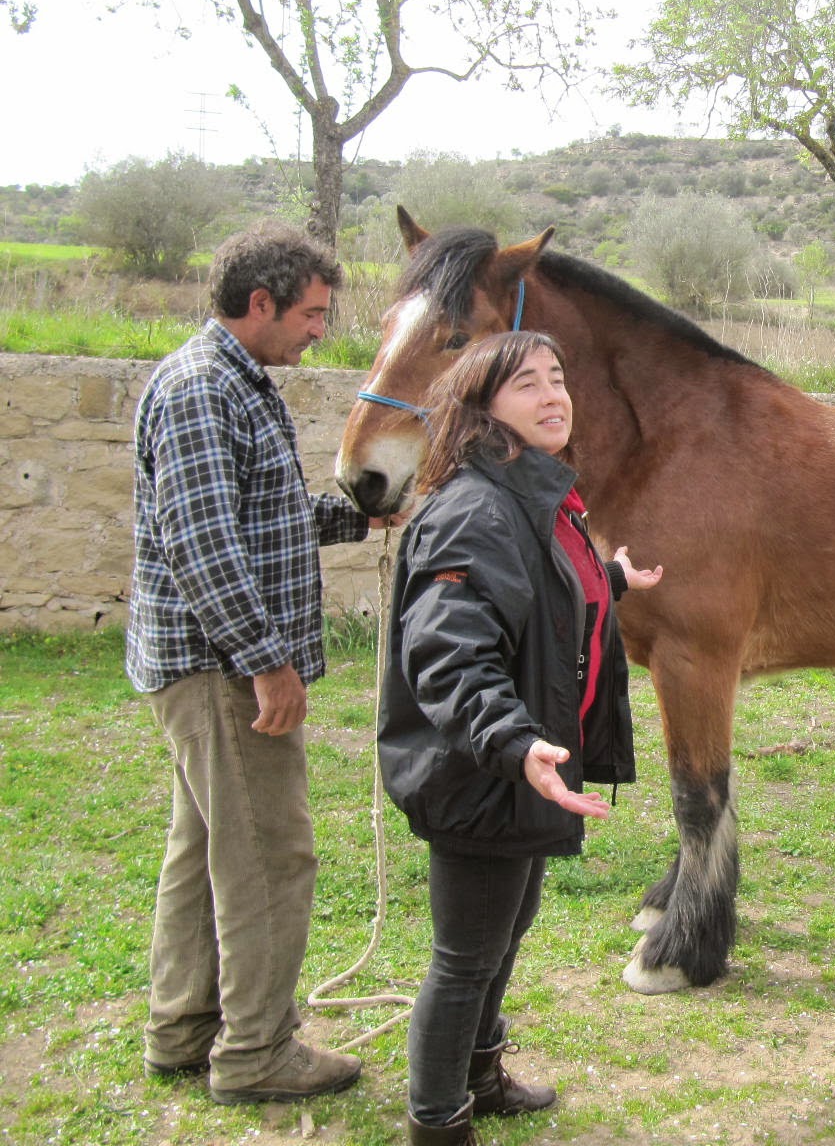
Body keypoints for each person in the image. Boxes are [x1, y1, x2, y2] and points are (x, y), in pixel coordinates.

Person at [128, 221, 396, 1104]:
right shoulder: (205, 388)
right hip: (220, 671)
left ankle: (185, 1028)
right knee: (271, 857)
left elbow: (259, 514)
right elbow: (203, 543)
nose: (320, 330)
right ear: (259, 304)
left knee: (205, 849)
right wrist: (266, 664)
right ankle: (255, 1054)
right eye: (312, 314)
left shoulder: (235, 383)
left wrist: (362, 518)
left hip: (208, 665)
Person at [377, 330, 662, 1145]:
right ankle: (438, 1123)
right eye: (526, 384)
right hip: (483, 767)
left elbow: (530, 595)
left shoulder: (527, 494)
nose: (553, 395)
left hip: (519, 766)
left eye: (558, 378)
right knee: (465, 958)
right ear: (480, 410)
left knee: (504, 935)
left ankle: (480, 1076)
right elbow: (450, 652)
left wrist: (606, 581)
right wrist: (513, 741)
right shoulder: (477, 507)